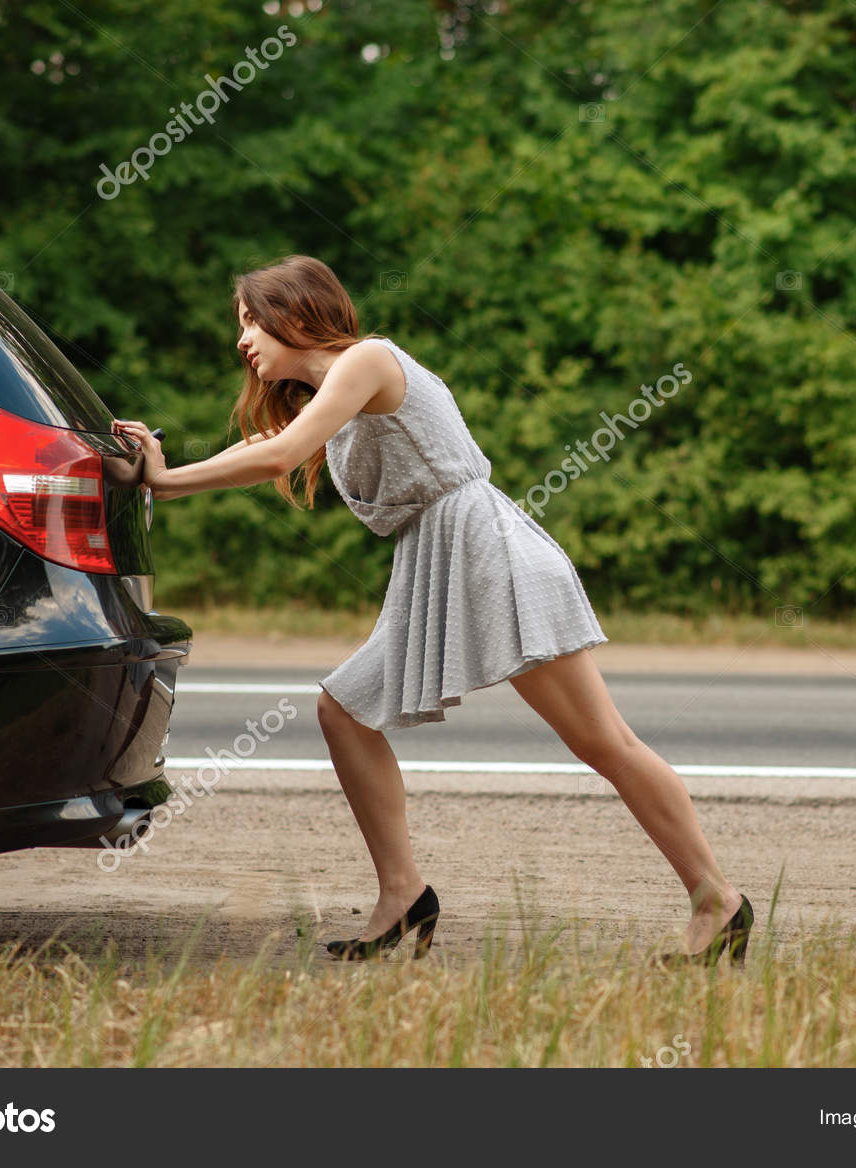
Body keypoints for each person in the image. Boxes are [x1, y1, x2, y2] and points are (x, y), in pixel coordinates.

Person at [113, 255, 751, 965]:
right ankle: (403, 894)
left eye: (250, 321)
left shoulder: (366, 360)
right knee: (344, 712)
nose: (242, 341)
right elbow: (270, 444)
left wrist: (163, 482)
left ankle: (717, 900)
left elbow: (279, 455)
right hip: (439, 567)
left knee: (604, 744)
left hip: (490, 557)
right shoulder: (331, 396)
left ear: (295, 313)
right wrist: (158, 476)